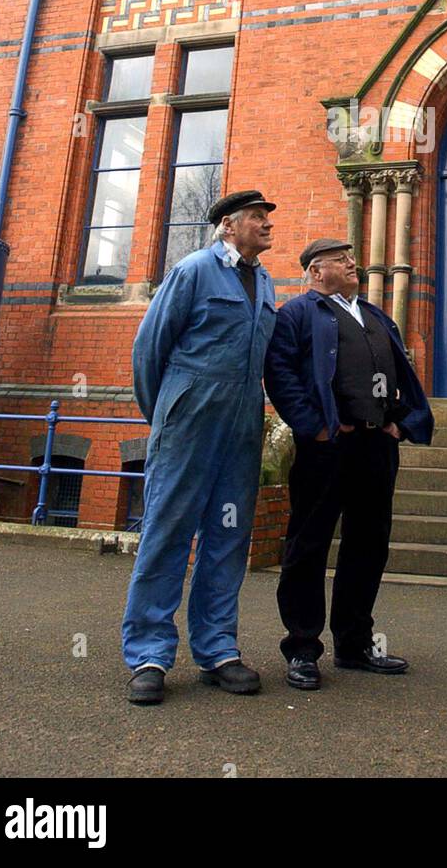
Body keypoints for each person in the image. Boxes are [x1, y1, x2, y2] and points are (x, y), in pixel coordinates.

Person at [121, 190, 277, 704]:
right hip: (190, 419)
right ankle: (148, 654)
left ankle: (217, 650)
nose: (267, 225)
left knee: (228, 537)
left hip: (241, 427)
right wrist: (168, 412)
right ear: (229, 225)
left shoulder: (267, 282)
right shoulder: (193, 269)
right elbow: (150, 347)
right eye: (258, 217)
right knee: (167, 532)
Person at [264, 238, 434, 691]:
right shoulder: (297, 314)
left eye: (351, 258)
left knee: (368, 544)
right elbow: (279, 373)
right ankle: (302, 648)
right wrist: (314, 427)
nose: (352, 264)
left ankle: (355, 644)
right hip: (327, 448)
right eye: (341, 260)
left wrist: (401, 423)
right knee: (309, 544)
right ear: (316, 272)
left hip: (377, 446)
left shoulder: (376, 315)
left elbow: (400, 372)